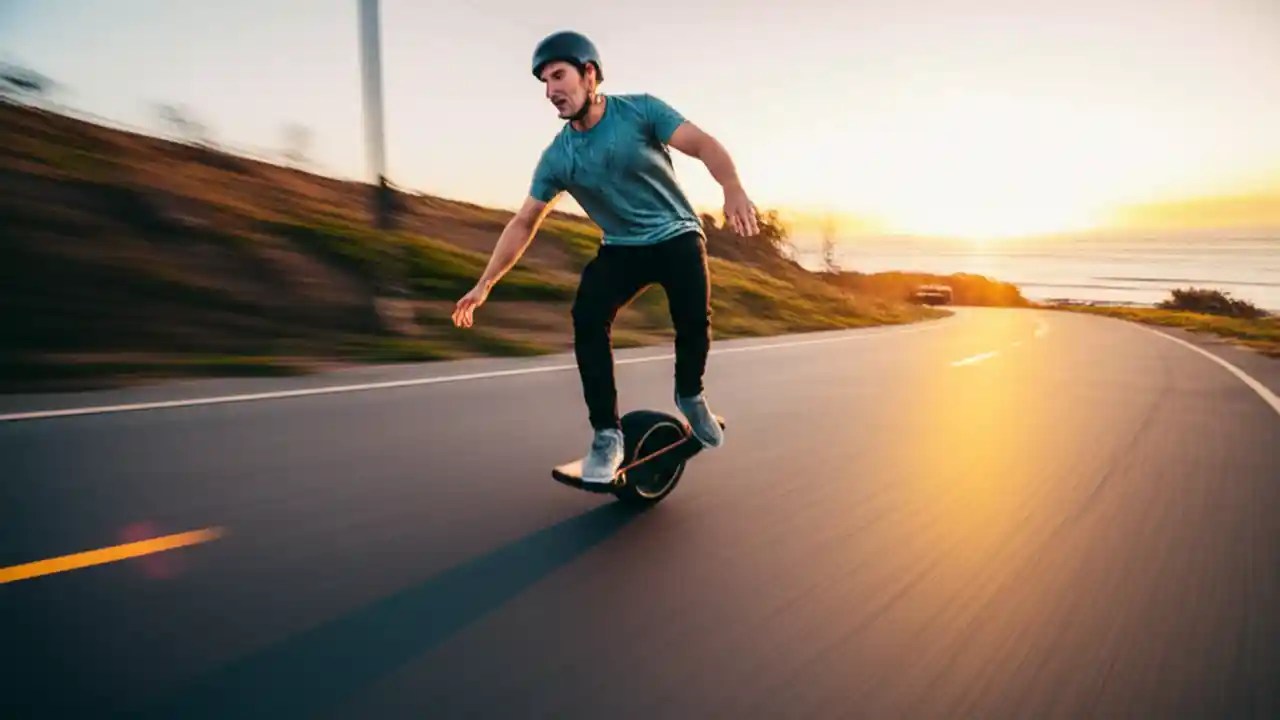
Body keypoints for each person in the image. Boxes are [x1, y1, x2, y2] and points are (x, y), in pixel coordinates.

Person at [452, 30, 759, 483]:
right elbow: (524, 222)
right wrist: (485, 284)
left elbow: (702, 144)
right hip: (622, 249)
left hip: (676, 236)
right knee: (587, 317)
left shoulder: (639, 111)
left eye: (559, 76)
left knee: (693, 319)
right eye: (544, 82)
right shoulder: (559, 156)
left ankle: (690, 395)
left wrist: (731, 185)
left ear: (589, 74)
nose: (551, 90)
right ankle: (606, 436)